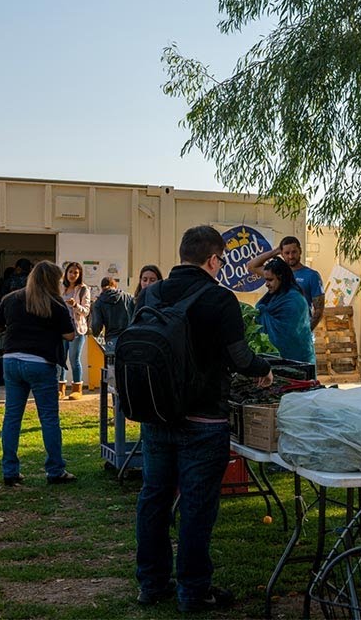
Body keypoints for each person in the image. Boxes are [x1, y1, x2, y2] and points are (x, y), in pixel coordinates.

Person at [134, 226, 273, 613]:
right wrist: (263, 369)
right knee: (196, 507)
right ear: (213, 259)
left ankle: (151, 583)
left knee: (154, 499)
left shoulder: (152, 293)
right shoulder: (220, 298)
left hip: (157, 413)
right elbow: (239, 357)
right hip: (204, 419)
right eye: (221, 261)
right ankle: (193, 591)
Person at [0, 260, 78, 486]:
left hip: (11, 360)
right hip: (41, 362)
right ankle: (55, 470)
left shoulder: (11, 299)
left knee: (12, 417)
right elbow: (70, 335)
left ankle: (10, 470)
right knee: (48, 418)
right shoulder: (55, 304)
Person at [247, 236, 325, 331]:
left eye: (294, 252)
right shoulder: (276, 273)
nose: (291, 256)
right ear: (282, 254)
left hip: (300, 329)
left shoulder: (312, 275)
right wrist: (275, 251)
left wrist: (306, 332)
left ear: (300, 251)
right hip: (278, 330)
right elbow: (251, 266)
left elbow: (319, 310)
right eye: (287, 253)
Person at [255, 257, 316, 363]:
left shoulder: (294, 300)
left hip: (298, 360)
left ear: (281, 278)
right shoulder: (274, 296)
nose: (267, 284)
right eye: (266, 280)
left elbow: (288, 334)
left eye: (270, 280)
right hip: (278, 360)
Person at [60, 261, 91, 399]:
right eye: (70, 272)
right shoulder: (61, 287)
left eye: (76, 273)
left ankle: (77, 389)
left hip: (76, 328)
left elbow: (86, 311)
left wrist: (75, 305)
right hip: (61, 328)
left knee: (74, 359)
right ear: (66, 273)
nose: (73, 275)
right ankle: (60, 389)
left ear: (80, 275)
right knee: (60, 358)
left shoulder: (84, 289)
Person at [90, 276, 135, 350]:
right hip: (129, 338)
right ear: (116, 286)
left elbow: (96, 327)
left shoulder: (98, 302)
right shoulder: (128, 297)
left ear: (102, 288)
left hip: (111, 340)